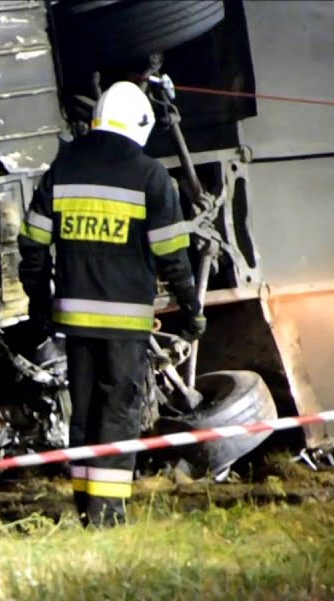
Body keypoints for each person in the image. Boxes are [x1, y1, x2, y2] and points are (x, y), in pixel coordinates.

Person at [17, 80, 204, 528]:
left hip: (74, 322)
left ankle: (85, 509)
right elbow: (172, 255)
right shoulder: (150, 175)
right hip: (125, 325)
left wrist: (39, 303)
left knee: (82, 414)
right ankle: (107, 515)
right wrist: (191, 309)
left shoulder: (64, 167)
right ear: (140, 125)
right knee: (117, 415)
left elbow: (33, 244)